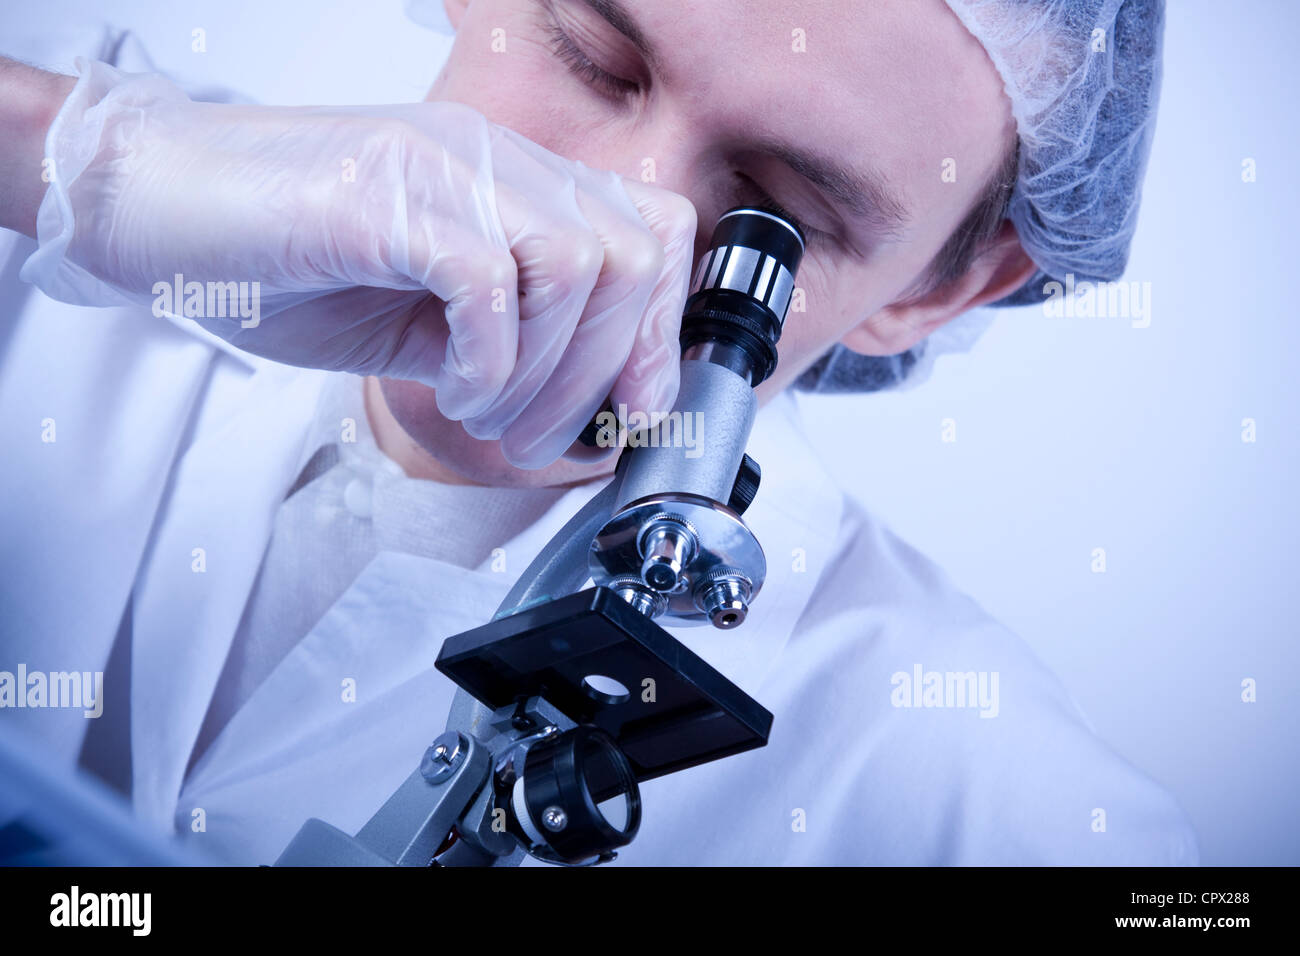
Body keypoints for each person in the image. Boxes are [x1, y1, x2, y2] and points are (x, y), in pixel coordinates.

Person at [0, 0, 1195, 865]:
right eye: (591, 54)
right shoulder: (59, 127)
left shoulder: (995, 814)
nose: (607, 229)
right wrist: (75, 164)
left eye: (769, 218)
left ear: (938, 289)